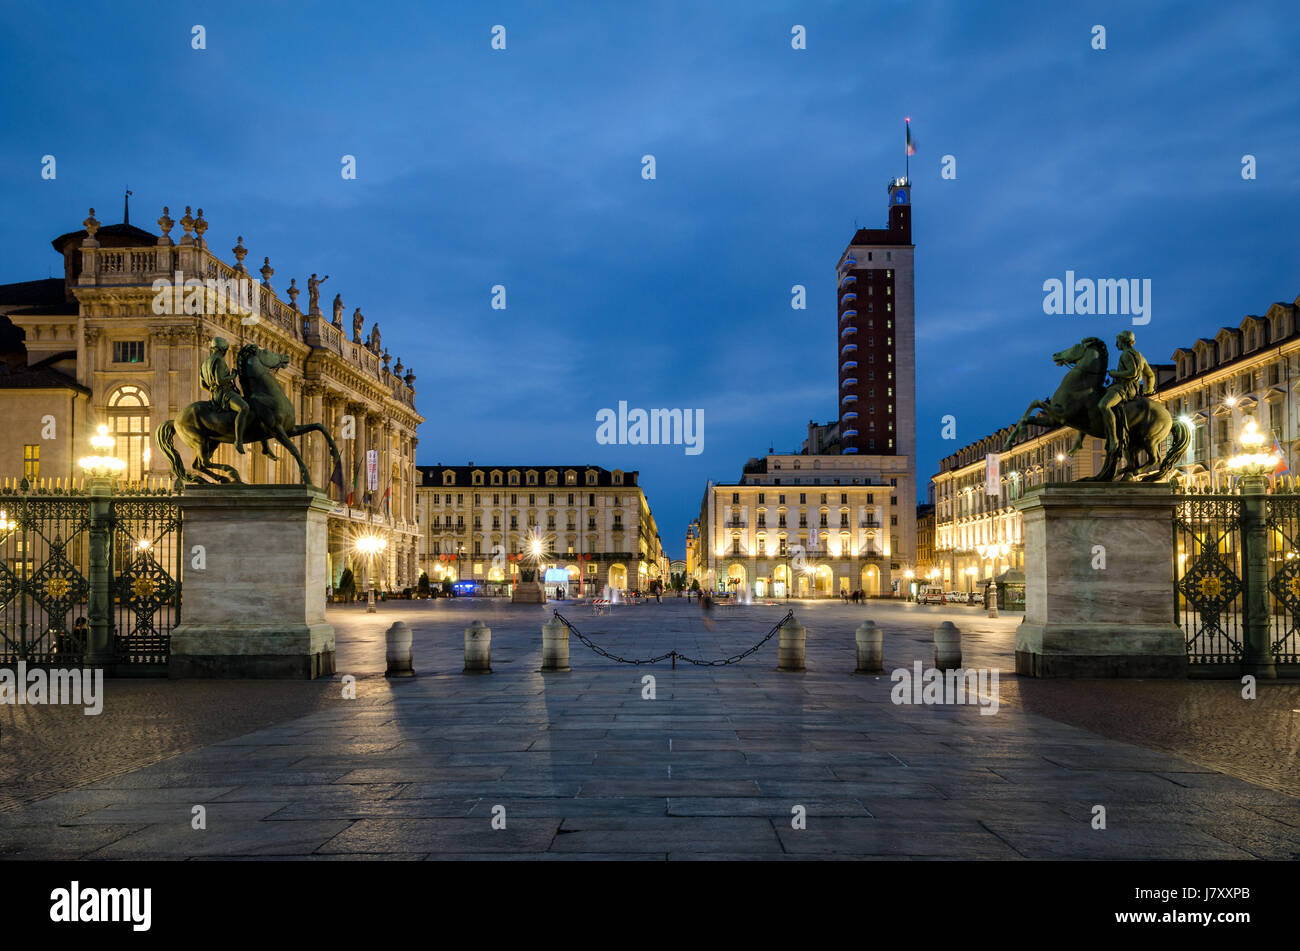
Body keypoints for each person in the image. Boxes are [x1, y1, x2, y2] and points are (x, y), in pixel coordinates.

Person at [1099, 330, 1156, 454]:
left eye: (1117, 341)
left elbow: (1132, 373)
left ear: (1123, 341)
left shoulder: (1125, 354)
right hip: (1135, 389)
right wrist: (1149, 390)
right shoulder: (1140, 356)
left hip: (1124, 388)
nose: (1116, 344)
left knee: (1103, 405)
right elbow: (1150, 375)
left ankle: (1113, 438)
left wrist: (1115, 373)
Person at [199, 337, 251, 453]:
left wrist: (212, 389)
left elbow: (202, 385)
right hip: (225, 394)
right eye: (225, 350)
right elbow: (220, 380)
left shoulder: (204, 364)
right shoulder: (218, 360)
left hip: (215, 396)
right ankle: (238, 440)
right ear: (222, 350)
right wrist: (232, 376)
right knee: (244, 408)